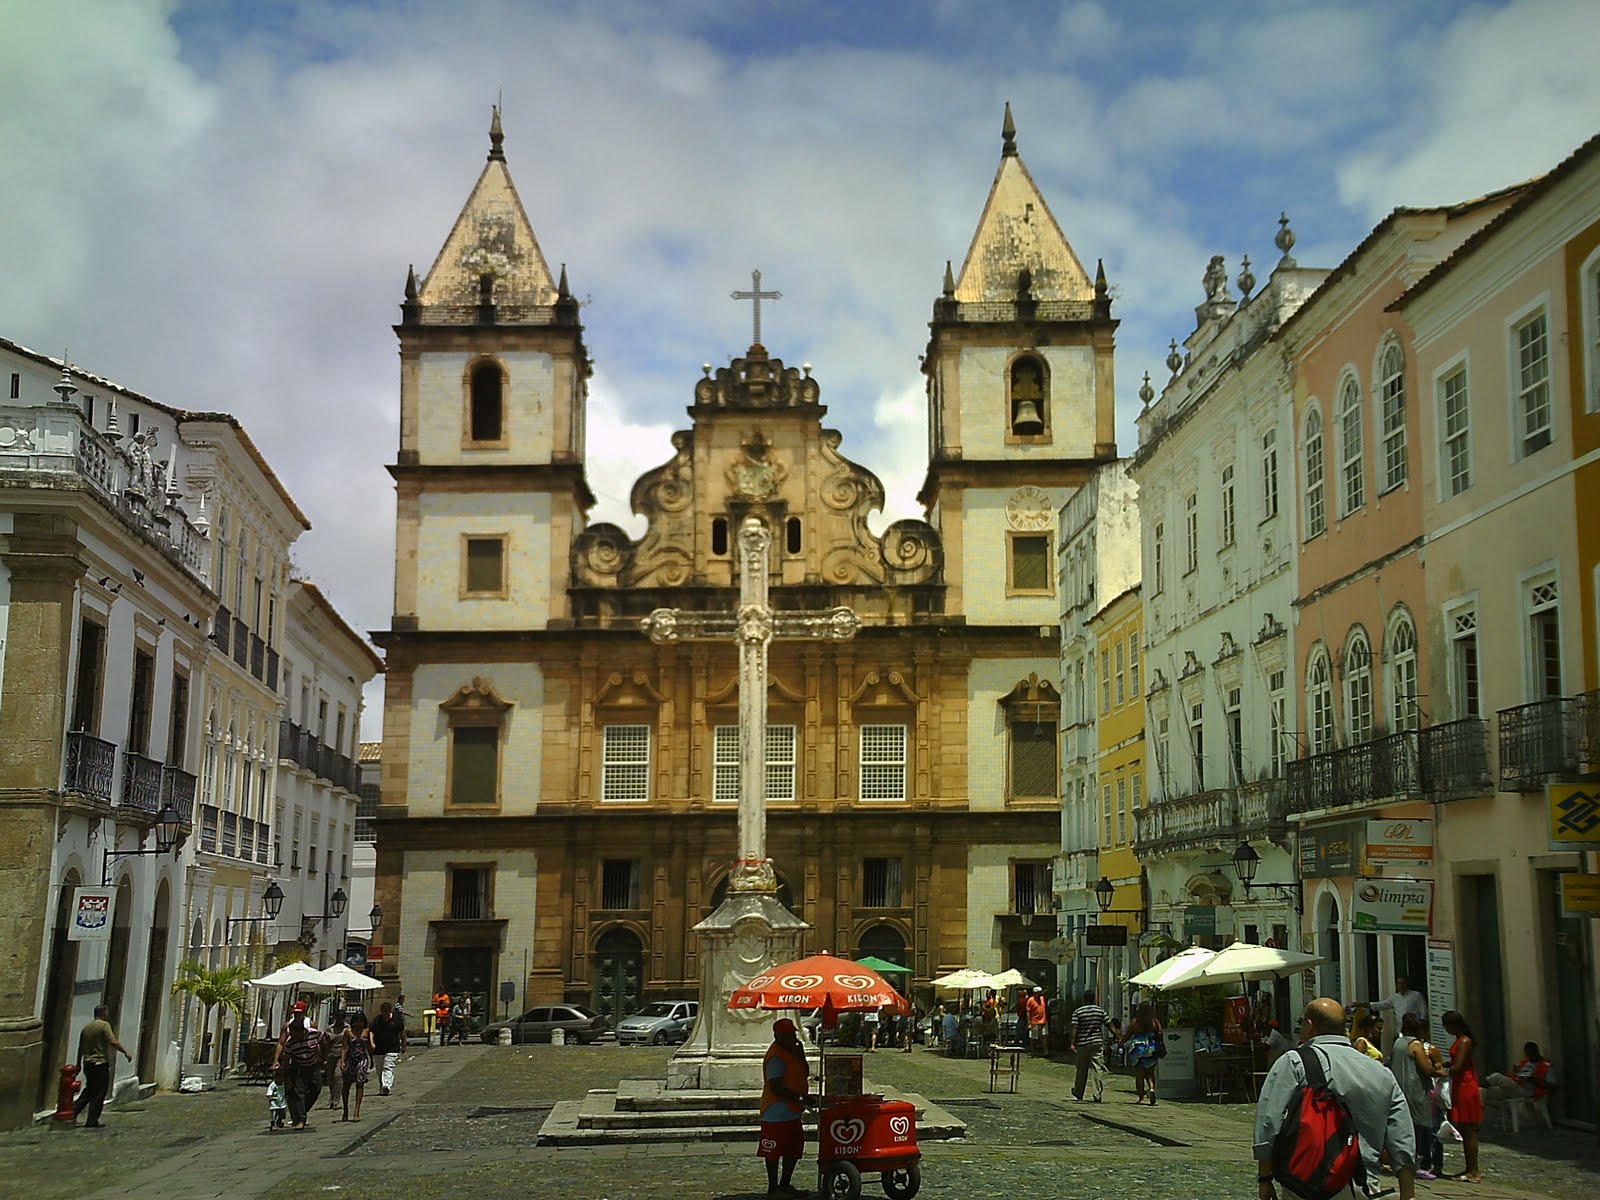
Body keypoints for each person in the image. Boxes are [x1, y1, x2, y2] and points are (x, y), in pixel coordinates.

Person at [1254, 998, 1416, 1200]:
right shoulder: (1381, 1073)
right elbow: (1402, 1135)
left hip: (1306, 1182)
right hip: (1363, 1183)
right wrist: (1407, 1193)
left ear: (1309, 1025)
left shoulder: (1294, 1062)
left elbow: (1269, 1121)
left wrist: (1265, 1177)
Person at [758, 1018, 812, 1199]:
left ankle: (785, 1184)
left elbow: (804, 1072)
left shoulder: (792, 1052)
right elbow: (776, 1086)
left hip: (792, 1111)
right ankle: (773, 1188)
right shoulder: (776, 1056)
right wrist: (799, 1097)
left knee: (793, 1149)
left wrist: (801, 1054)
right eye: (789, 1035)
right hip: (776, 1111)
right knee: (773, 1151)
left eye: (793, 1034)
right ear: (778, 1036)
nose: (793, 1038)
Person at [1391, 1013, 1447, 1181]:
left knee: (1405, 1127)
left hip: (1400, 1088)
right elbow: (1427, 1069)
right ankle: (1420, 1164)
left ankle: (1404, 1161)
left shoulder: (1398, 1042)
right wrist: (1442, 1072)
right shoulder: (1415, 1045)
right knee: (1421, 1128)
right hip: (1415, 1090)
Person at [72, 1004, 131, 1128]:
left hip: (88, 1063)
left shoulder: (86, 1028)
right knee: (99, 1092)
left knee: (89, 1090)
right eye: (107, 1012)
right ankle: (92, 1120)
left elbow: (80, 1047)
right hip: (100, 1062)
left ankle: (73, 1112)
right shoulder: (104, 1025)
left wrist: (78, 1063)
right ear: (103, 1013)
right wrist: (125, 1052)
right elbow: (112, 1041)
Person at [1442, 1010, 1483, 1182]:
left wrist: (1443, 1071)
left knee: (1468, 1129)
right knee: (1465, 1128)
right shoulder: (1460, 1040)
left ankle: (1473, 1170)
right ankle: (1469, 1168)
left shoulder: (1464, 1041)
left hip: (1466, 1085)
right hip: (1460, 1084)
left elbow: (1458, 1067)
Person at [272, 999, 323, 1130]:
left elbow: (320, 1042)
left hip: (312, 1062)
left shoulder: (311, 1026)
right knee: (297, 1090)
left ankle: (301, 1111)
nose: (296, 1015)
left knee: (316, 1087)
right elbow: (282, 1044)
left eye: (299, 1012)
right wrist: (277, 1061)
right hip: (297, 1062)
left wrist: (321, 1057)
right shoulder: (288, 1027)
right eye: (295, 1012)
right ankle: (300, 1118)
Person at [1070, 988, 1110, 1102]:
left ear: (1084, 999)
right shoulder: (1100, 1011)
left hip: (1083, 1044)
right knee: (1097, 1068)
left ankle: (1078, 1092)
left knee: (1081, 1069)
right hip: (1096, 1042)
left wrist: (1072, 1042)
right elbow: (1109, 1024)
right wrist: (1119, 1037)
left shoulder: (1078, 1012)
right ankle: (1097, 1093)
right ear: (1094, 999)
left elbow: (1074, 1028)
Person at [1121, 1002, 1163, 1105]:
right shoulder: (1154, 1021)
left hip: (1138, 1049)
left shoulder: (1135, 1022)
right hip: (1151, 1048)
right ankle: (1152, 1088)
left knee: (1139, 1074)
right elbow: (1160, 1033)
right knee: (1150, 1072)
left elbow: (1128, 1035)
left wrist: (1120, 1043)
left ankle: (1141, 1098)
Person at [339, 1010, 374, 1121]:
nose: (359, 1024)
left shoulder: (367, 1032)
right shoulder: (348, 1032)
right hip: (351, 1059)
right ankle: (345, 1109)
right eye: (357, 1021)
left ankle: (357, 1111)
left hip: (362, 1060)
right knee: (347, 1084)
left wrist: (372, 1059)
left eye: (361, 1021)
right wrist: (343, 1061)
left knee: (360, 1083)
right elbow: (344, 1047)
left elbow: (369, 1046)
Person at [371, 1000, 407, 1095]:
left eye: (386, 1011)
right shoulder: (377, 1020)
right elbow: (371, 1031)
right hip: (379, 1049)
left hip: (392, 1048)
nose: (384, 1014)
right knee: (379, 1070)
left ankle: (386, 1086)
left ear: (389, 1011)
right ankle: (382, 1087)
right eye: (383, 1011)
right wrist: (372, 1043)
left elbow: (402, 1032)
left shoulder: (396, 1019)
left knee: (388, 1067)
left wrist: (404, 1044)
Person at [1025, 986, 1049, 1057]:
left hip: (1043, 1020)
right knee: (1034, 1038)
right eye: (1039, 992)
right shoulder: (1030, 1000)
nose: (1040, 994)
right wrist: (1029, 1022)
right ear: (1035, 993)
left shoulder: (1042, 998)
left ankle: (1046, 1052)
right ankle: (1033, 1052)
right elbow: (1028, 1011)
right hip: (1034, 1021)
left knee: (1045, 1036)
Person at [267, 1066, 290, 1131]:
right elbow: (269, 1092)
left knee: (283, 1113)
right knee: (274, 1115)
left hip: (281, 1102)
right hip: (274, 1103)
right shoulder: (273, 1085)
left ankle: (279, 1121)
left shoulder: (283, 1084)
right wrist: (270, 1097)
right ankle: (273, 1124)